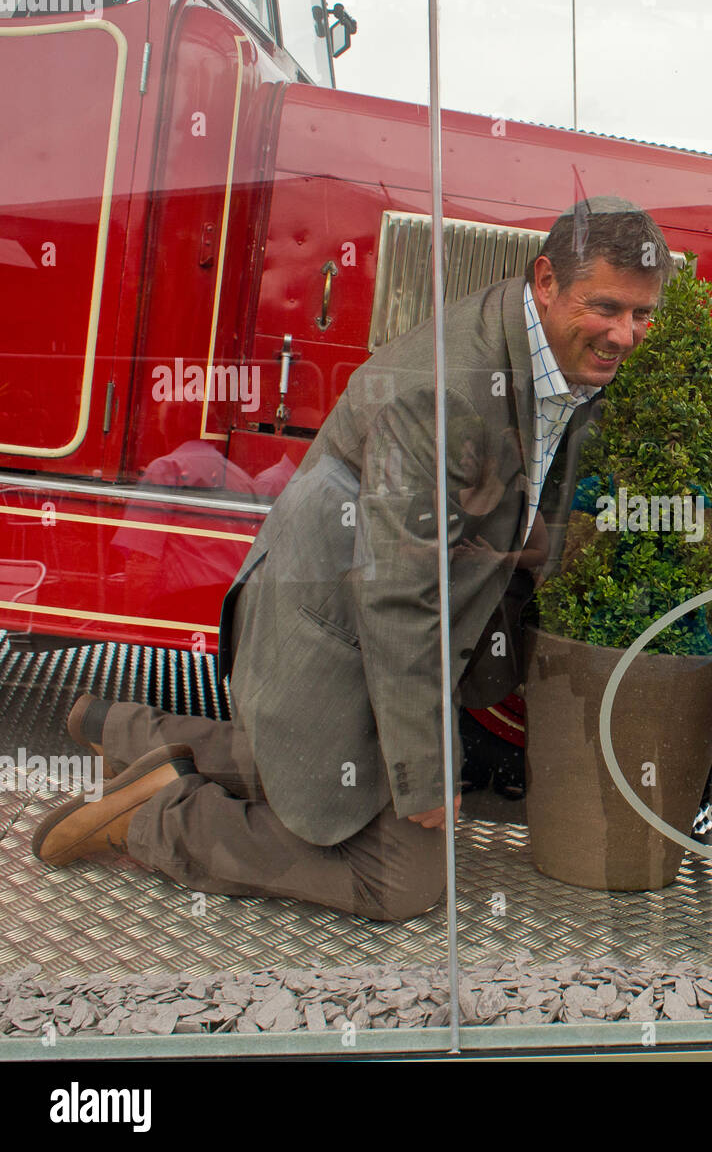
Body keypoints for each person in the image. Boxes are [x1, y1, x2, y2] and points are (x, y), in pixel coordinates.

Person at [31, 198, 672, 921]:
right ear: (547, 281)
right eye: (609, 307)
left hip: (366, 615)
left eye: (642, 315)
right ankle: (153, 819)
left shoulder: (544, 342)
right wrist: (427, 771)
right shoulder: (444, 390)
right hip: (327, 626)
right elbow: (400, 594)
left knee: (328, 789)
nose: (627, 334)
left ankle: (129, 732)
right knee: (401, 881)